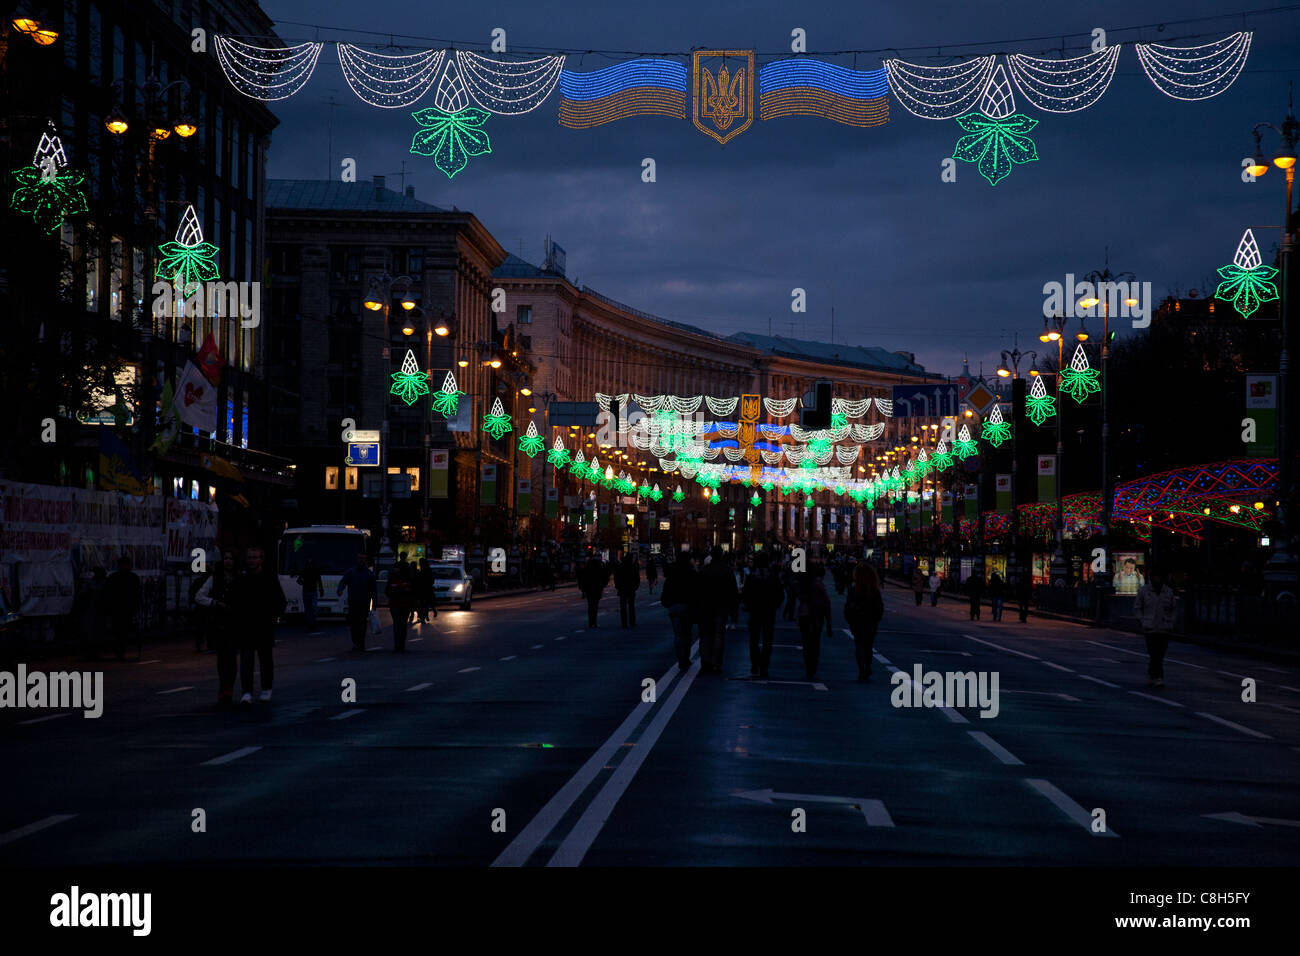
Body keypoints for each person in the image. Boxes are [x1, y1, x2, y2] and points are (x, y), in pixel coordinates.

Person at [228, 546, 286, 703]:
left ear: (261, 560)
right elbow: (233, 601)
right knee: (246, 660)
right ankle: (247, 692)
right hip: (246, 627)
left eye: (255, 557)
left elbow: (280, 601)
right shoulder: (241, 579)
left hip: (264, 627)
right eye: (250, 557)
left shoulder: (269, 578)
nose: (252, 560)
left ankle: (266, 688)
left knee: (265, 660)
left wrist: (272, 618)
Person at [194, 550, 238, 707]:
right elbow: (199, 596)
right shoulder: (215, 578)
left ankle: (229, 688)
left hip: (235, 624)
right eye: (226, 558)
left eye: (231, 558)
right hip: (219, 624)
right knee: (222, 658)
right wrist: (214, 603)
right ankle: (223, 687)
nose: (228, 561)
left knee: (231, 658)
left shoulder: (240, 578)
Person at [697, 547, 739, 675]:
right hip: (721, 607)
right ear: (721, 555)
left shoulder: (704, 570)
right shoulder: (727, 570)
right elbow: (733, 592)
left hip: (705, 608)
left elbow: (697, 591)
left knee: (705, 636)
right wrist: (733, 612)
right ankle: (716, 663)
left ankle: (705, 662)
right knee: (719, 636)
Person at [1133, 569, 1177, 687]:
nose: (1157, 579)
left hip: (1164, 627)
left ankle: (1152, 674)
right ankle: (1158, 676)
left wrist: (1171, 622)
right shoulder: (1144, 591)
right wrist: (1142, 621)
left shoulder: (1168, 592)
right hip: (1150, 627)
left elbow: (1173, 609)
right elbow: (1137, 608)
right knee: (1154, 653)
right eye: (1155, 576)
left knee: (1160, 654)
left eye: (1159, 576)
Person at [741, 552, 781, 678]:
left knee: (754, 639)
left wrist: (747, 605)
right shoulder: (773, 576)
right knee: (767, 641)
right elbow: (780, 593)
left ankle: (755, 663)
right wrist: (775, 605)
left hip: (755, 611)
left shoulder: (752, 576)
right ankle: (764, 666)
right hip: (769, 612)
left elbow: (746, 593)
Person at [845, 562, 885, 680]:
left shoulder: (854, 588)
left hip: (857, 621)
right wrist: (877, 619)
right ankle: (867, 666)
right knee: (868, 645)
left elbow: (848, 606)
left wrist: (850, 620)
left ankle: (862, 668)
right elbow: (880, 607)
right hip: (871, 622)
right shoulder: (874, 590)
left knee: (859, 645)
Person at [660, 555, 698, 671]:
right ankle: (686, 658)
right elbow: (697, 591)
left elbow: (665, 594)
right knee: (687, 634)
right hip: (687, 607)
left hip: (674, 608)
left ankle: (681, 660)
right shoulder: (692, 575)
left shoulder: (671, 577)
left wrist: (668, 604)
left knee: (678, 635)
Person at [797, 562, 833, 680]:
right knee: (815, 642)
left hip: (805, 616)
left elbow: (799, 598)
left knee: (806, 642)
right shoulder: (818, 584)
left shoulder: (802, 583)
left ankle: (809, 665)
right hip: (816, 618)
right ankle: (813, 665)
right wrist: (828, 623)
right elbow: (826, 603)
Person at [104, 555, 142, 661]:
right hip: (121, 608)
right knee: (120, 630)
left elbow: (136, 594)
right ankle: (120, 650)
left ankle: (120, 650)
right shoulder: (124, 577)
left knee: (121, 630)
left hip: (124, 608)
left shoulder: (129, 577)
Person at [337, 553, 377, 652]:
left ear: (366, 560)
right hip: (353, 602)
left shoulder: (369, 574)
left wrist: (374, 603)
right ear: (357, 559)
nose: (361, 560)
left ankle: (360, 642)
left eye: (363, 559)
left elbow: (373, 590)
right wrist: (340, 589)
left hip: (364, 603)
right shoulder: (351, 572)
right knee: (353, 624)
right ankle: (356, 642)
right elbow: (343, 582)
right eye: (360, 558)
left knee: (362, 624)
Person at [386, 564, 415, 652]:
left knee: (401, 625)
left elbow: (412, 591)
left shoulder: (408, 580)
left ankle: (400, 644)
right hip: (395, 605)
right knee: (398, 624)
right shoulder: (392, 579)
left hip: (404, 605)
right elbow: (387, 591)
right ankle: (398, 644)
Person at [579, 555, 609, 627]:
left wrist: (583, 589)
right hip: (597, 589)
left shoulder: (586, 569)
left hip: (589, 589)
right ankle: (594, 622)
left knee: (590, 606)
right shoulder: (599, 569)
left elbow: (582, 580)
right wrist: (603, 585)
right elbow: (605, 577)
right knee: (595, 606)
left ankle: (590, 622)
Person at [613, 552, 640, 629]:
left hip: (622, 589)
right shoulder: (632, 567)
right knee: (631, 606)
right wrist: (635, 587)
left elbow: (616, 577)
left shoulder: (621, 566)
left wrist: (618, 586)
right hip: (631, 589)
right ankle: (632, 622)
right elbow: (636, 578)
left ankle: (624, 623)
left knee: (623, 607)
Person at [297, 558, 324, 632]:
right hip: (309, 591)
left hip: (309, 591)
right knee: (310, 608)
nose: (310, 565)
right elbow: (298, 580)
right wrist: (321, 590)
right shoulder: (307, 570)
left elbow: (319, 580)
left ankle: (312, 623)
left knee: (311, 608)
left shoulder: (309, 570)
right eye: (309, 563)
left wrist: (304, 583)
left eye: (311, 563)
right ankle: (311, 623)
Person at [417, 558, 437, 624]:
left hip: (423, 589)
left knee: (423, 604)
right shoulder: (428, 570)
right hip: (427, 589)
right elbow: (432, 580)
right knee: (426, 603)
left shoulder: (422, 571)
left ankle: (423, 616)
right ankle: (425, 615)